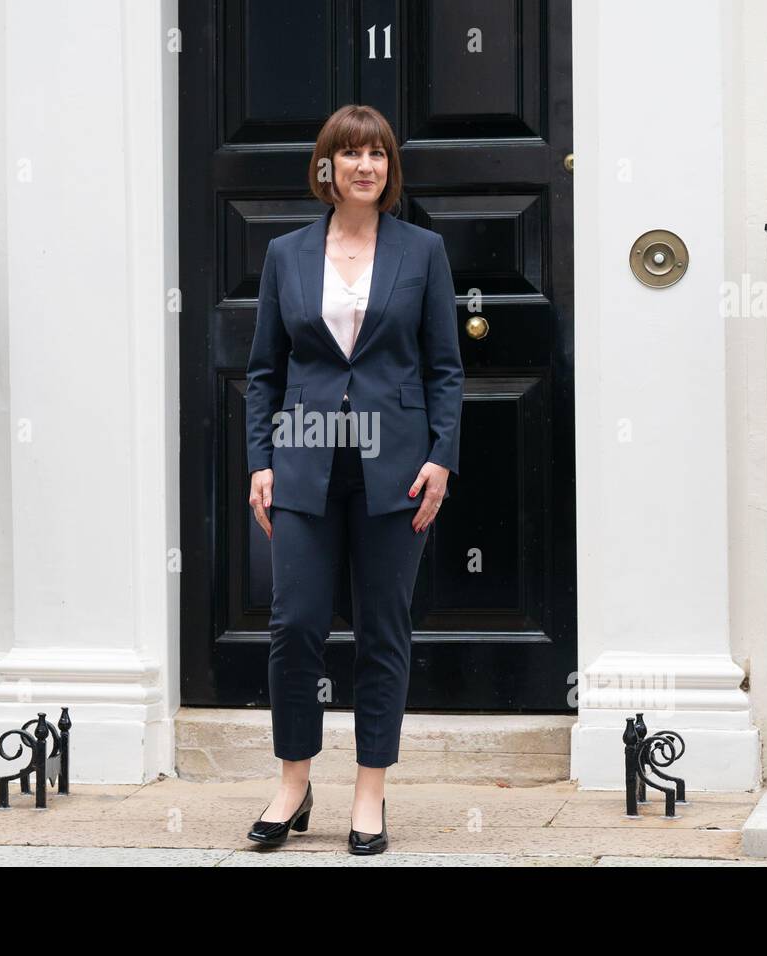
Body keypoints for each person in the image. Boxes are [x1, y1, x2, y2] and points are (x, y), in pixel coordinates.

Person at [243, 104, 464, 854]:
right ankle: (293, 782)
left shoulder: (423, 251)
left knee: (382, 629)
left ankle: (370, 793)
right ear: (326, 166)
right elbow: (265, 371)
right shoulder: (287, 254)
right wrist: (260, 463)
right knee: (295, 623)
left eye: (377, 153)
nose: (365, 164)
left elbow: (443, 366)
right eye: (350, 153)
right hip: (305, 456)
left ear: (388, 169)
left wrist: (441, 456)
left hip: (395, 467)